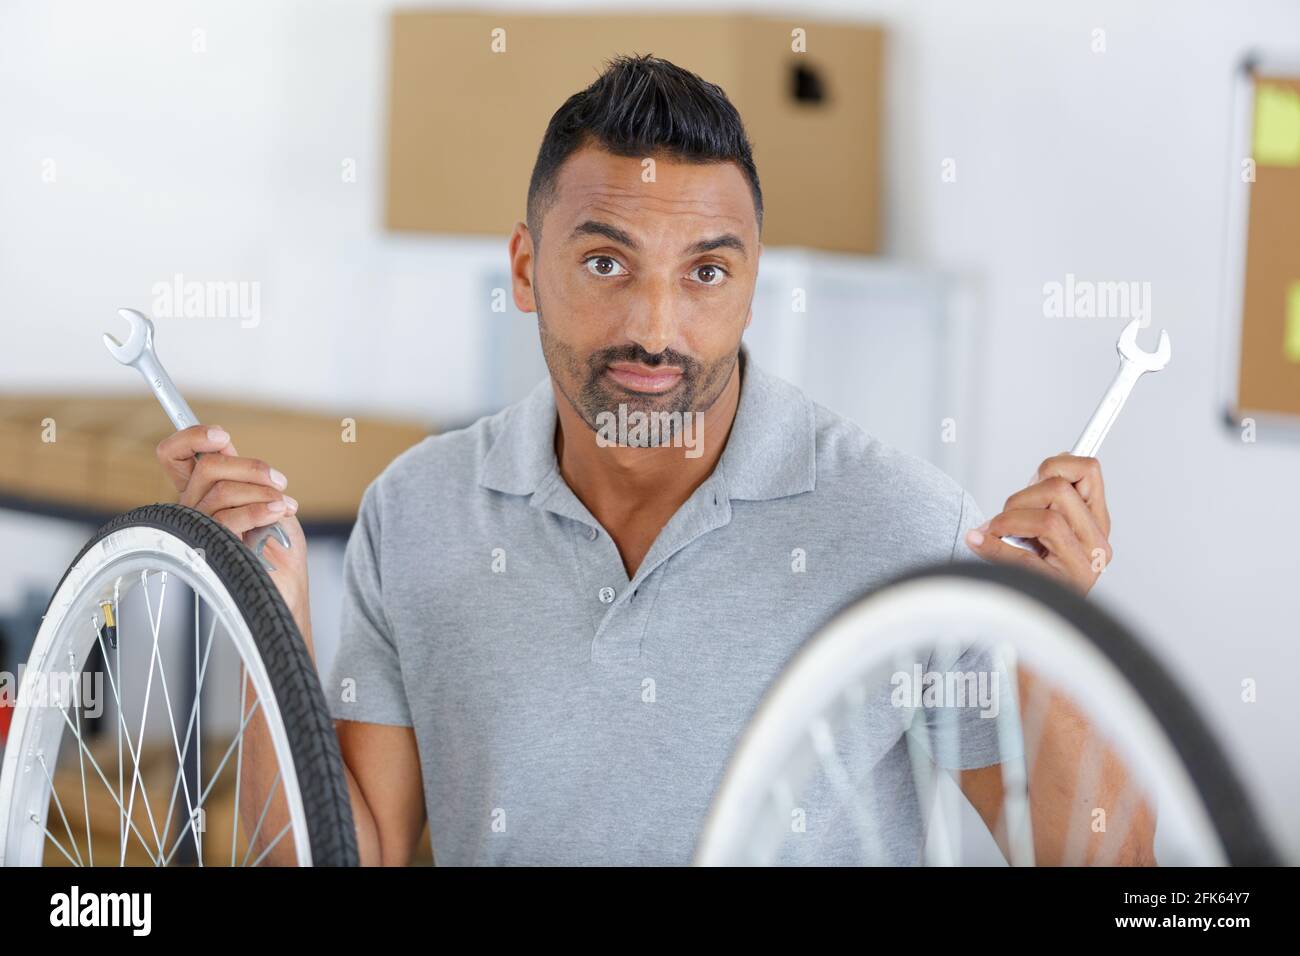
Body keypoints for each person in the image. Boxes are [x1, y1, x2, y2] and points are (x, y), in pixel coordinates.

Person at [155, 54, 1152, 866]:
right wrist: (264, 626)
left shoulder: (906, 525)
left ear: (751, 286)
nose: (654, 327)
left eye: (706, 271)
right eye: (604, 262)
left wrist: (1050, 647)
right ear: (522, 269)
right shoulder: (415, 512)